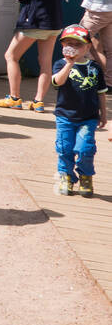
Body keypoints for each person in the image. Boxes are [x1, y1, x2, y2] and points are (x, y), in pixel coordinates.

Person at [50, 24, 105, 197]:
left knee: (85, 148)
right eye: (69, 44)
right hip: (65, 116)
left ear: (88, 46)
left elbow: (101, 92)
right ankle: (66, 176)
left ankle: (86, 176)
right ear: (62, 46)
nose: (73, 48)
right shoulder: (60, 64)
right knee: (64, 148)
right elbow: (57, 82)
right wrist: (69, 64)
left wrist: (103, 112)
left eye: (78, 44)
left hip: (88, 117)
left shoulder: (95, 68)